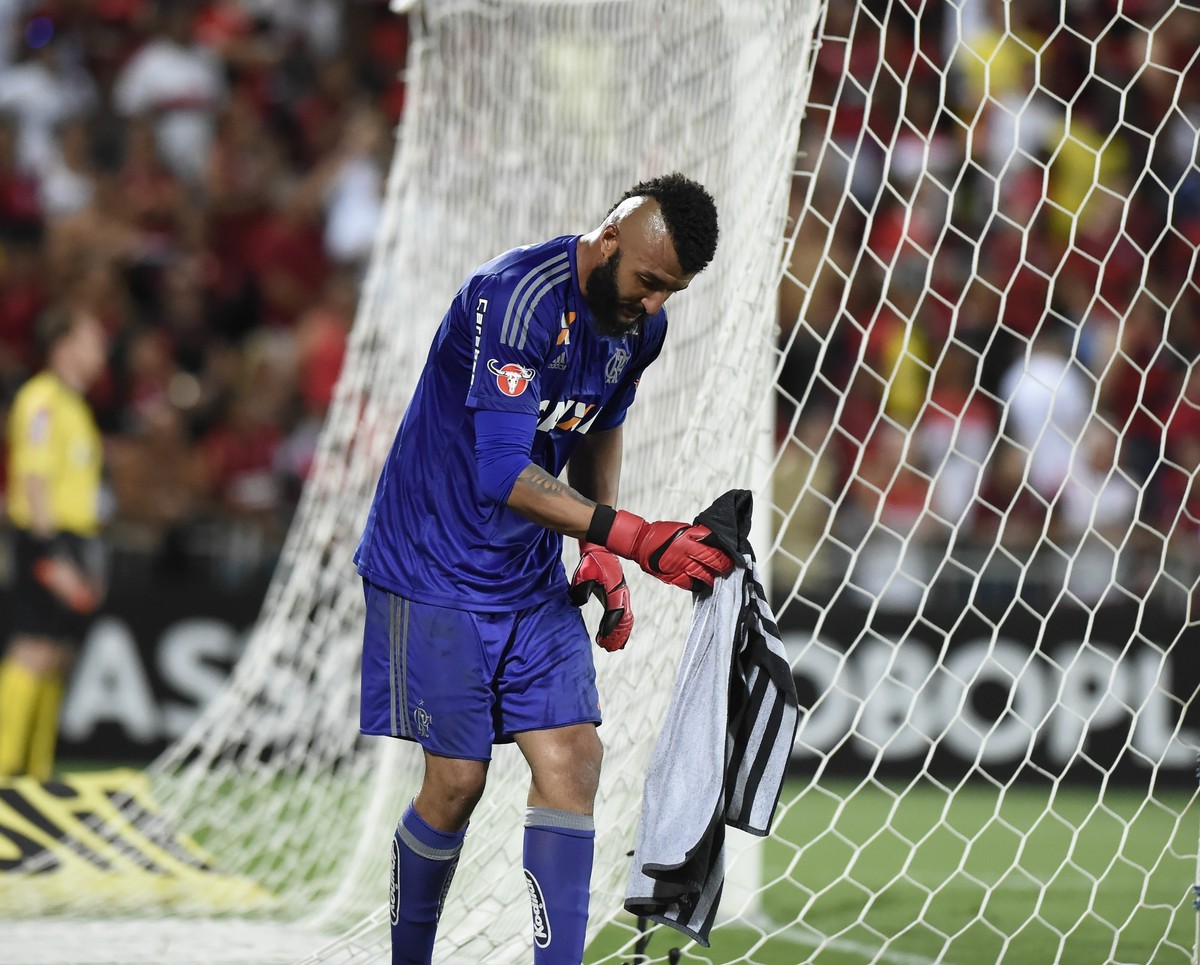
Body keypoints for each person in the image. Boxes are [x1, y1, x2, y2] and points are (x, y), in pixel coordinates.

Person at [354, 173, 735, 965]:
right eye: (649, 281)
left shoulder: (640, 329)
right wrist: (634, 536)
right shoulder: (515, 297)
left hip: (526, 577)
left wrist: (597, 545)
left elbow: (601, 425)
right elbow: (502, 473)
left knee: (573, 757)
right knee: (456, 783)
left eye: (672, 291)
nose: (656, 304)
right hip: (432, 565)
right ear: (607, 243)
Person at [0, 306, 107, 780]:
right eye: (91, 339)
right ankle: (5, 771)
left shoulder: (75, 405)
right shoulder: (41, 398)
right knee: (32, 649)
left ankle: (36, 776)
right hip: (46, 536)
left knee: (59, 655)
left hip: (76, 537)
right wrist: (52, 553)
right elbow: (34, 478)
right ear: (63, 345)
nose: (100, 351)